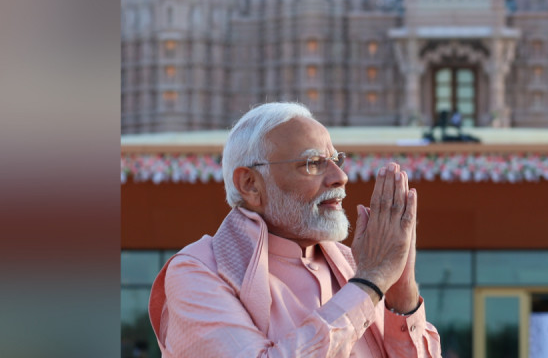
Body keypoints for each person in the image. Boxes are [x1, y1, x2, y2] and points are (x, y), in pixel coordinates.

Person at [148, 102, 442, 357]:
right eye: (313, 163)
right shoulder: (198, 272)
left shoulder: (354, 264)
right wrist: (371, 283)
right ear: (250, 184)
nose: (340, 177)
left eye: (336, 160)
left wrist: (401, 292)